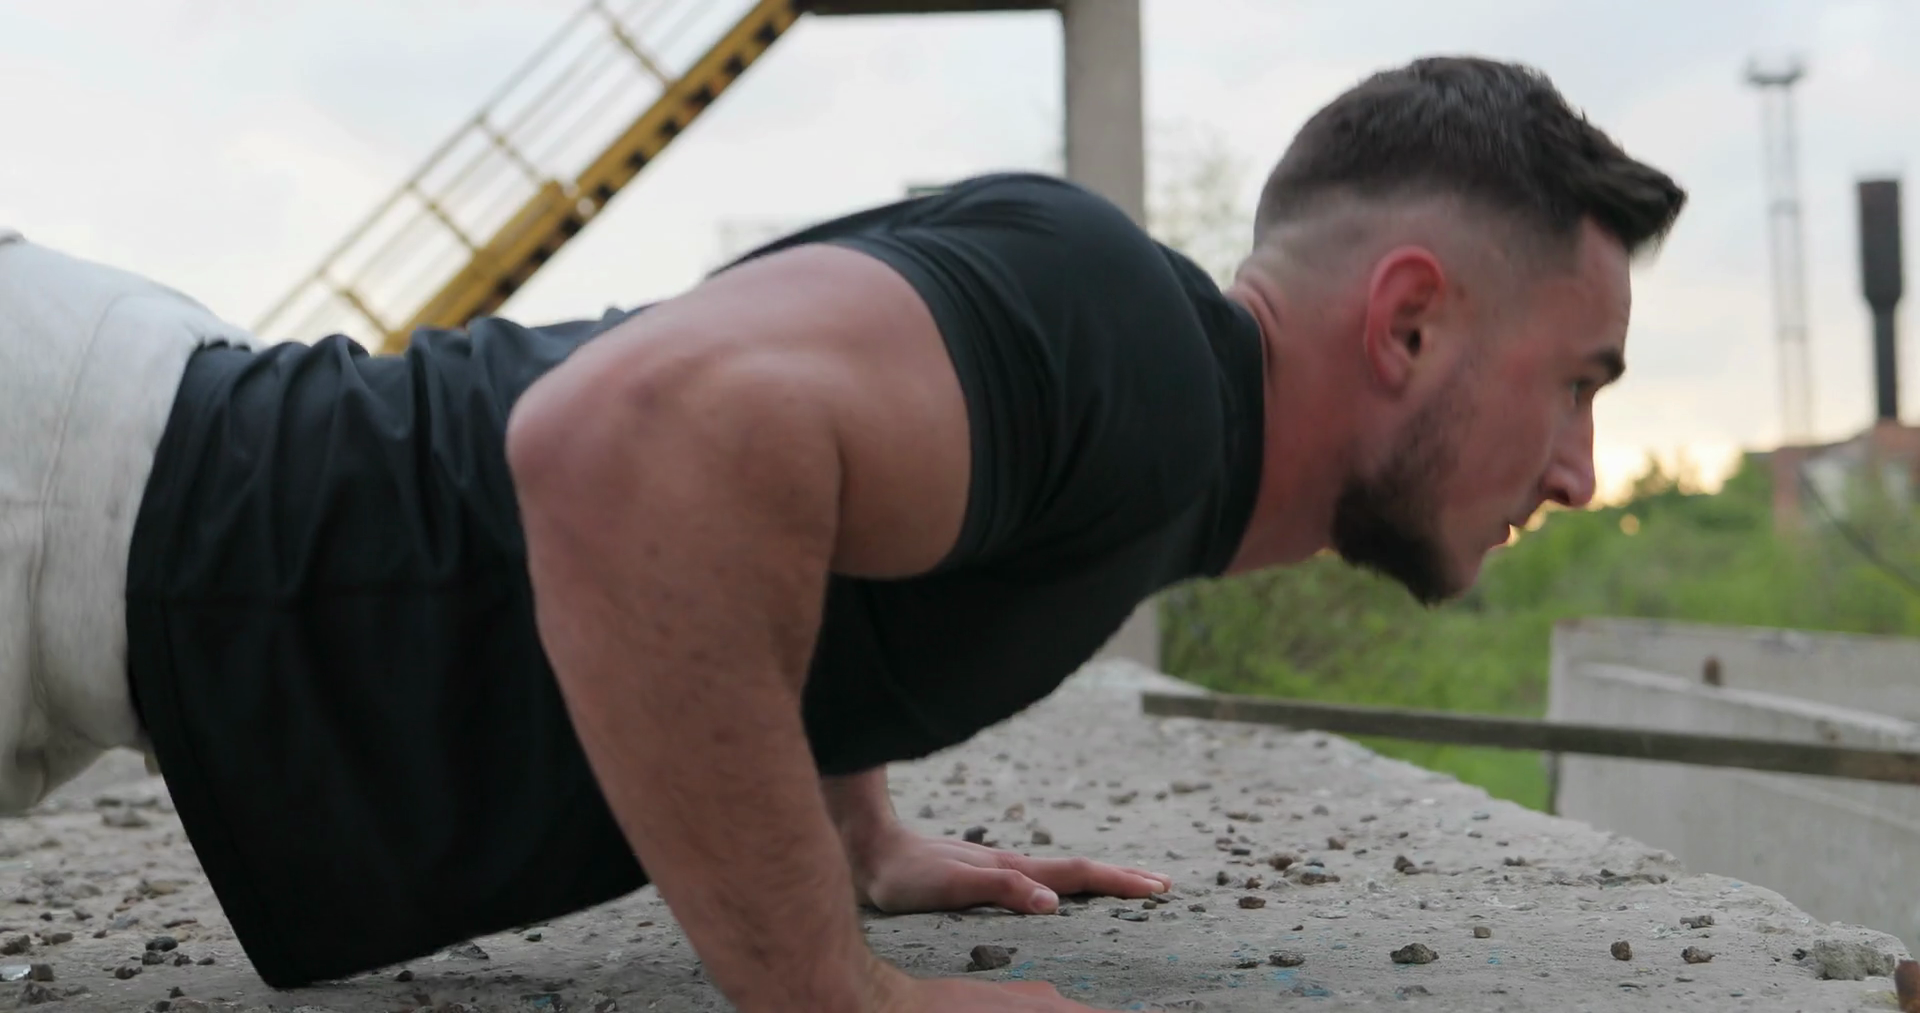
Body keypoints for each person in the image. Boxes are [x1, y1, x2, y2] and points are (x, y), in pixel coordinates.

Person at [0, 54, 1684, 1011]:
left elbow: (810, 505)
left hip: (87, 509)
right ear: (1406, 325)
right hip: (51, 489)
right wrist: (826, 989)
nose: (1581, 471)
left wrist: (852, 825)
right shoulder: (1132, 356)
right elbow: (626, 441)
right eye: (1578, 383)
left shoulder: (1141, 401)